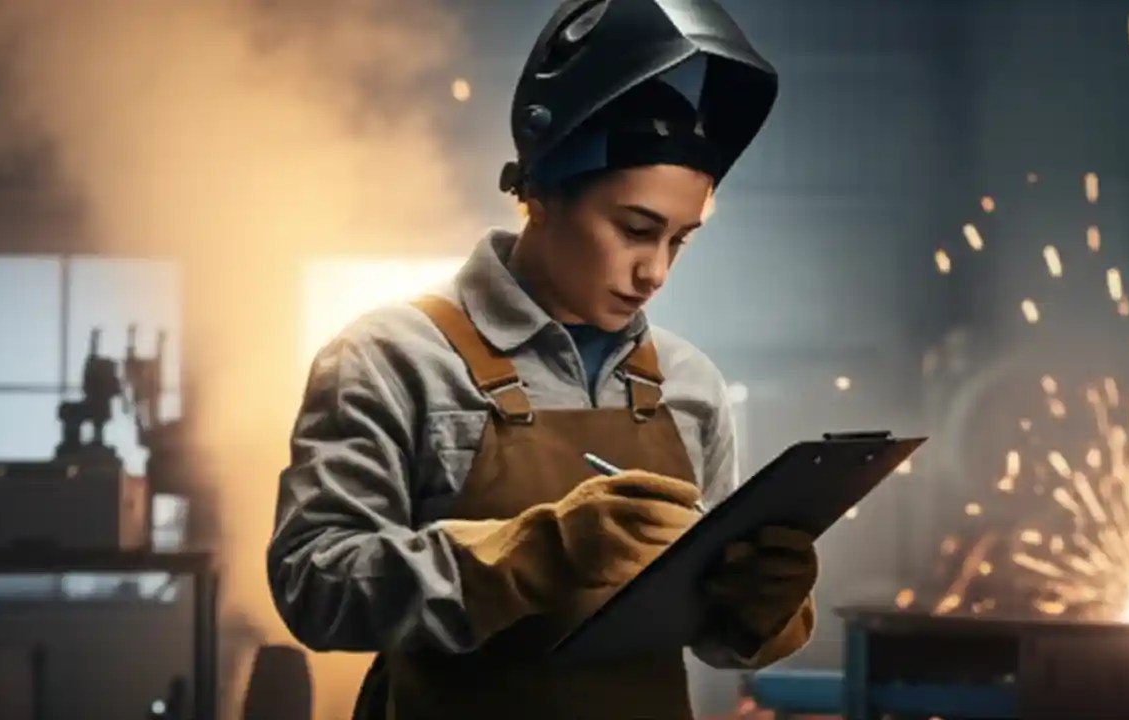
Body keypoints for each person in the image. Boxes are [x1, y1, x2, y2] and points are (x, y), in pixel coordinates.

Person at [267, 1, 819, 717]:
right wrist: (534, 555)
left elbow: (712, 639)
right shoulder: (391, 359)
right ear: (542, 195)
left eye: (678, 240)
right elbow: (315, 586)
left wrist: (762, 602)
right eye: (634, 228)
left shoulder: (690, 385)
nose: (655, 272)